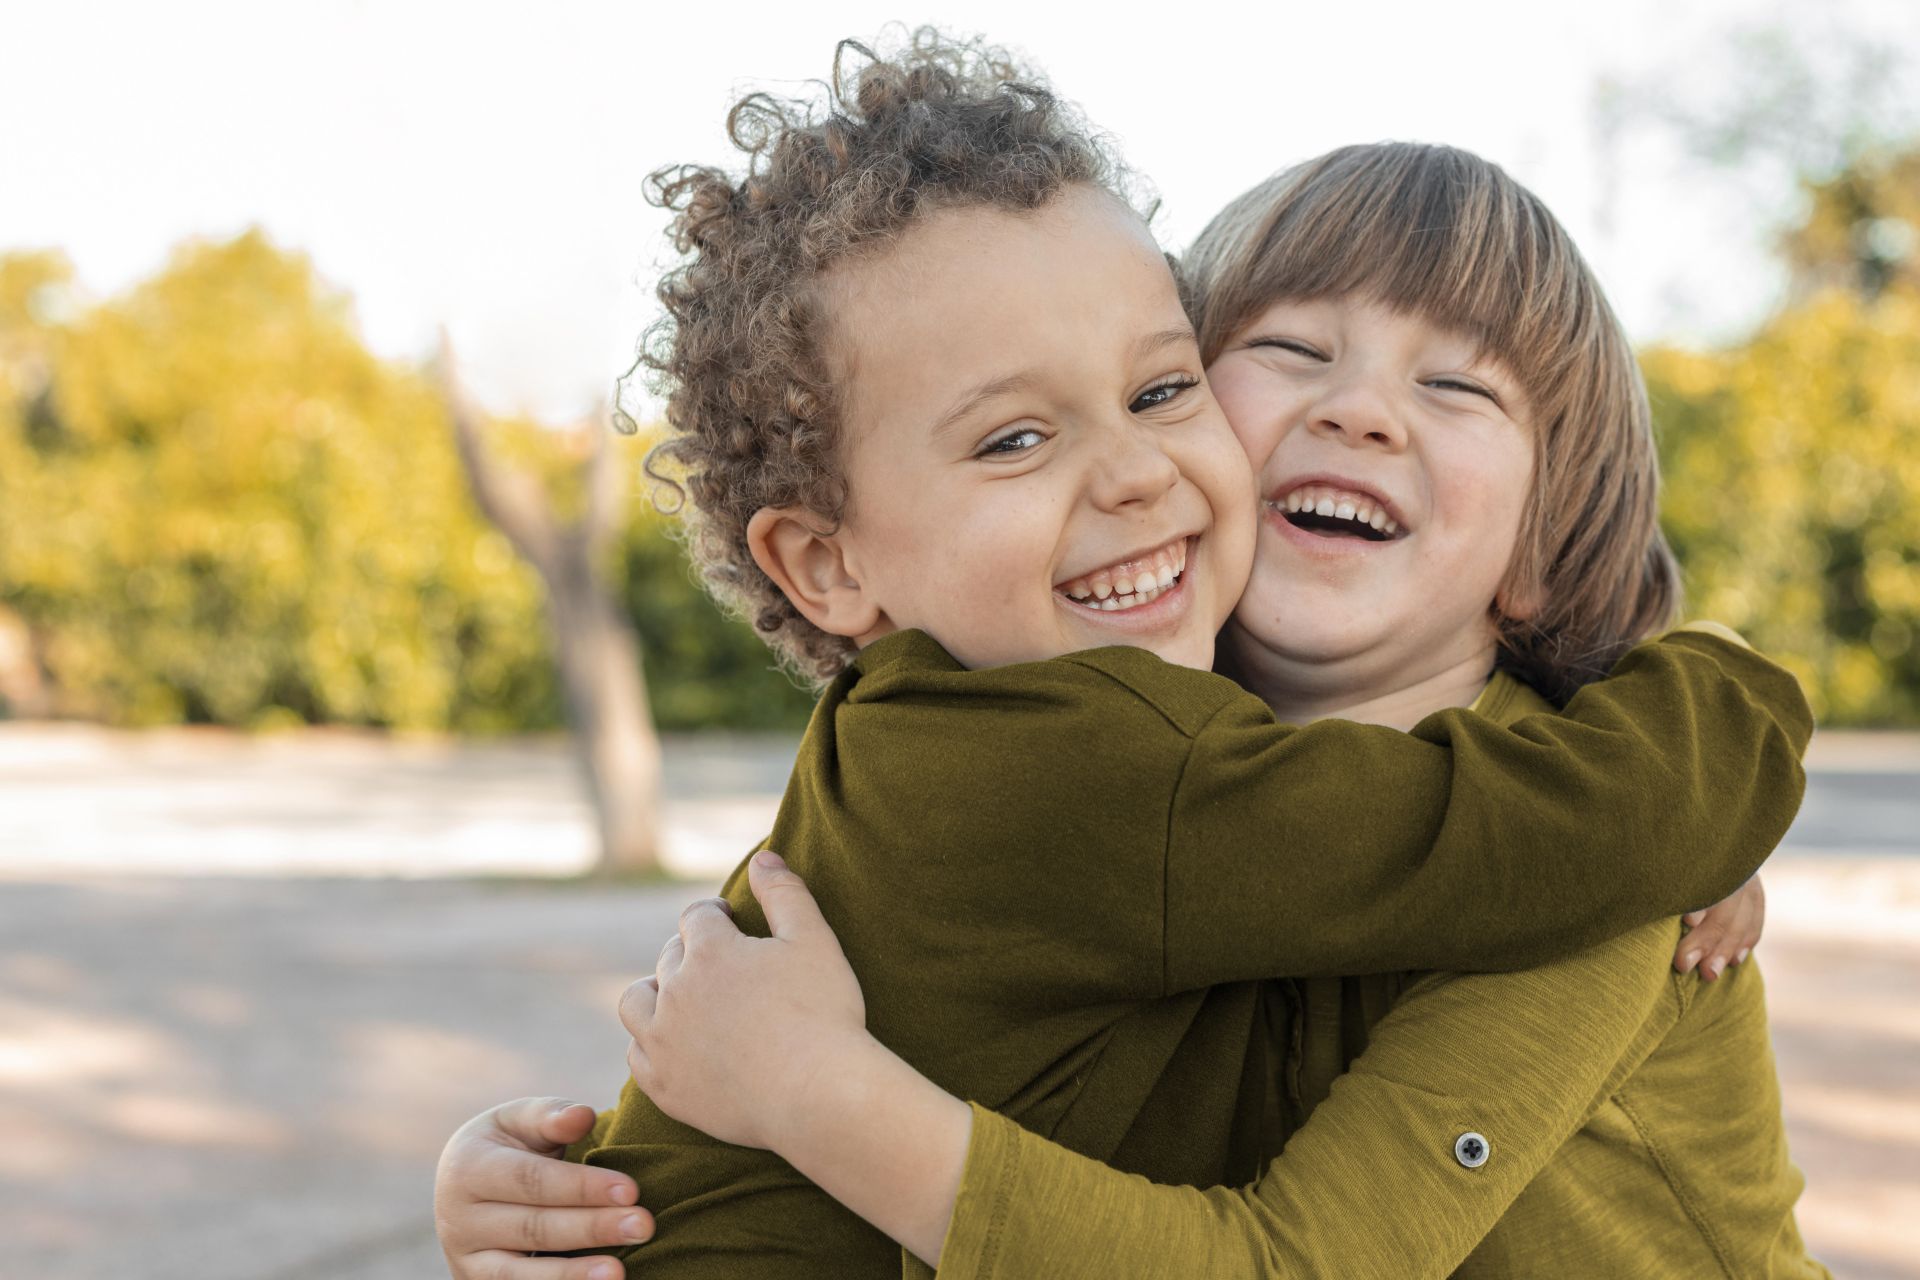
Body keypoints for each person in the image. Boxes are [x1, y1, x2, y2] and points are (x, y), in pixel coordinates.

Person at [433, 33, 1812, 1280]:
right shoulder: (1108, 765)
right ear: (831, 563)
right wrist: (1716, 724)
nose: (1363, 412)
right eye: (1285, 350)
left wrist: (1676, 766)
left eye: (1155, 394)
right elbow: (755, 1064)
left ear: (1546, 529)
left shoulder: (1576, 870)